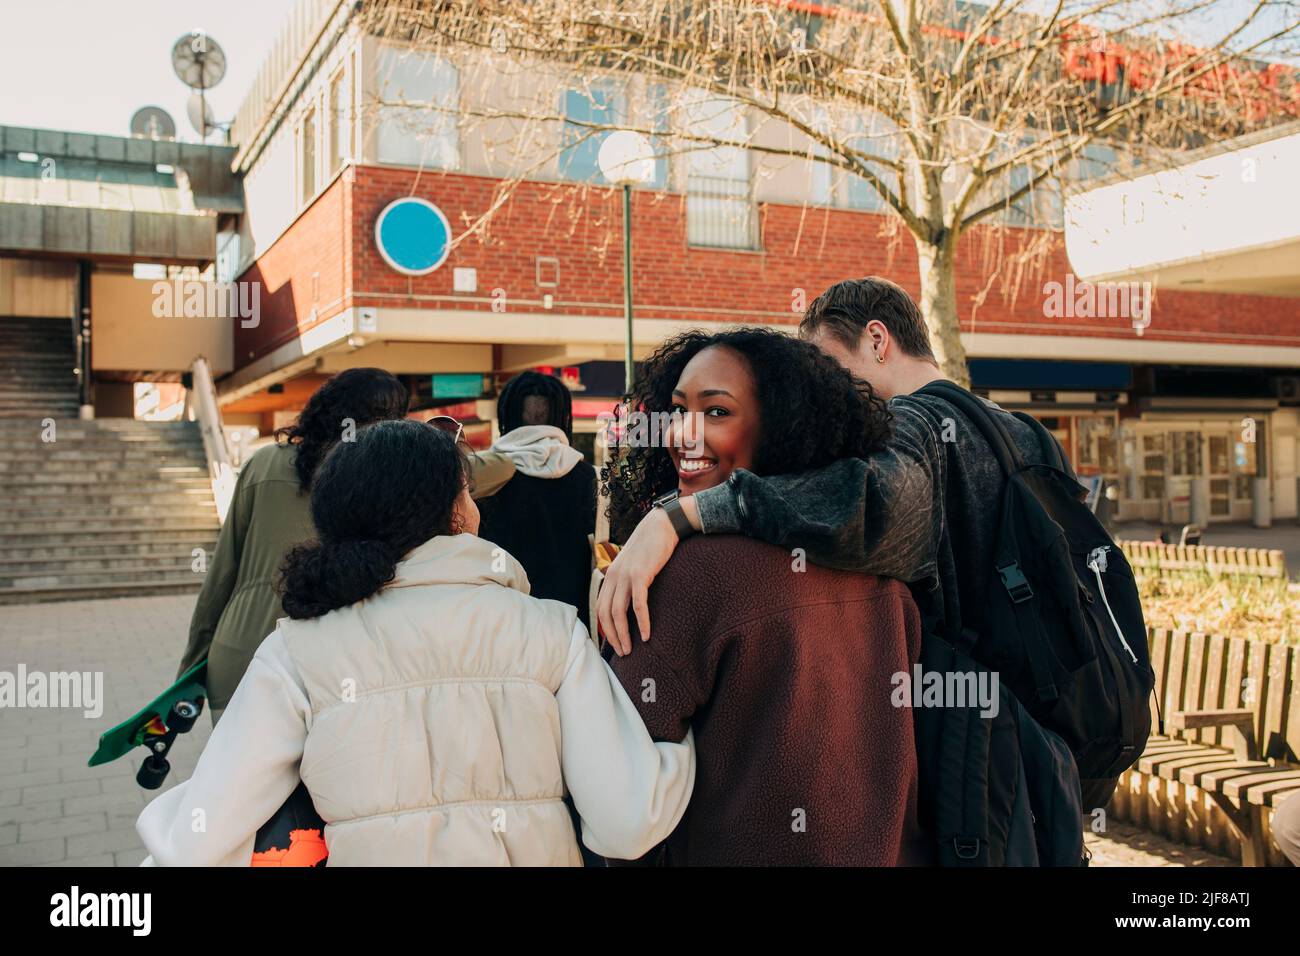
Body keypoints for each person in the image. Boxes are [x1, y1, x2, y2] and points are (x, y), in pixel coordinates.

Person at [138, 419, 694, 866]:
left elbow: (196, 841)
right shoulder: (550, 631)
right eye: (469, 494)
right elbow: (627, 823)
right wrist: (688, 742)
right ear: (456, 512)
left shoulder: (297, 652)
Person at [601, 327, 926, 865]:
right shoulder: (882, 574)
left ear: (783, 425)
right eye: (678, 409)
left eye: (717, 412)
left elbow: (615, 779)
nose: (684, 432)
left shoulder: (690, 576)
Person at [177, 367, 409, 720]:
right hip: (317, 668)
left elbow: (221, 575)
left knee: (235, 774)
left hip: (237, 653)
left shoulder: (263, 463)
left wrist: (190, 670)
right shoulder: (377, 480)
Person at [476, 371, 597, 630]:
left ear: (507, 416)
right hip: (574, 628)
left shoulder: (486, 478)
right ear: (562, 416)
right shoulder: (591, 479)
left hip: (504, 623)